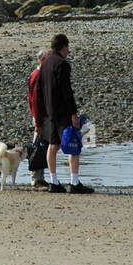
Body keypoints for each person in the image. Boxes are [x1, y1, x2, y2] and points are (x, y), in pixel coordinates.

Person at [39, 33, 93, 194]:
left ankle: (54, 182)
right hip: (62, 112)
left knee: (53, 146)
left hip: (49, 112)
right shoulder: (62, 64)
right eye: (67, 47)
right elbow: (66, 91)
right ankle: (74, 182)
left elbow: (40, 89)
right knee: (73, 144)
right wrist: (74, 114)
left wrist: (43, 112)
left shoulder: (46, 63)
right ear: (63, 47)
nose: (68, 51)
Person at [28, 48, 49, 190]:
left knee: (42, 146)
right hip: (39, 116)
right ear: (43, 60)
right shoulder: (38, 75)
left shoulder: (39, 74)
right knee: (38, 147)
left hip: (40, 115)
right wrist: (38, 121)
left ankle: (40, 177)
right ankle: (36, 179)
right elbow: (35, 100)